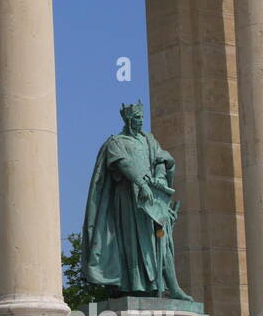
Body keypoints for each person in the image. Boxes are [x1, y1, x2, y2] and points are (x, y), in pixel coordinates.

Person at [80, 103, 191, 299]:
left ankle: (172, 287)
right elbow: (123, 163)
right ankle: (133, 286)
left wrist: (159, 176)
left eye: (141, 117)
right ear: (128, 120)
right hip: (130, 198)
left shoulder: (149, 139)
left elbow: (162, 159)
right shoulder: (117, 142)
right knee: (132, 243)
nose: (140, 121)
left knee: (162, 240)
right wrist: (142, 184)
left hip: (154, 199)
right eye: (136, 118)